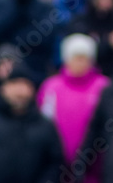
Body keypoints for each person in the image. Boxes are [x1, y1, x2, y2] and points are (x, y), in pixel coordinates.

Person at [37, 33, 109, 182]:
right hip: (57, 164)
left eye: (84, 57)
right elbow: (43, 122)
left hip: (94, 165)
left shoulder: (103, 86)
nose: (80, 62)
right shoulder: (51, 86)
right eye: (76, 57)